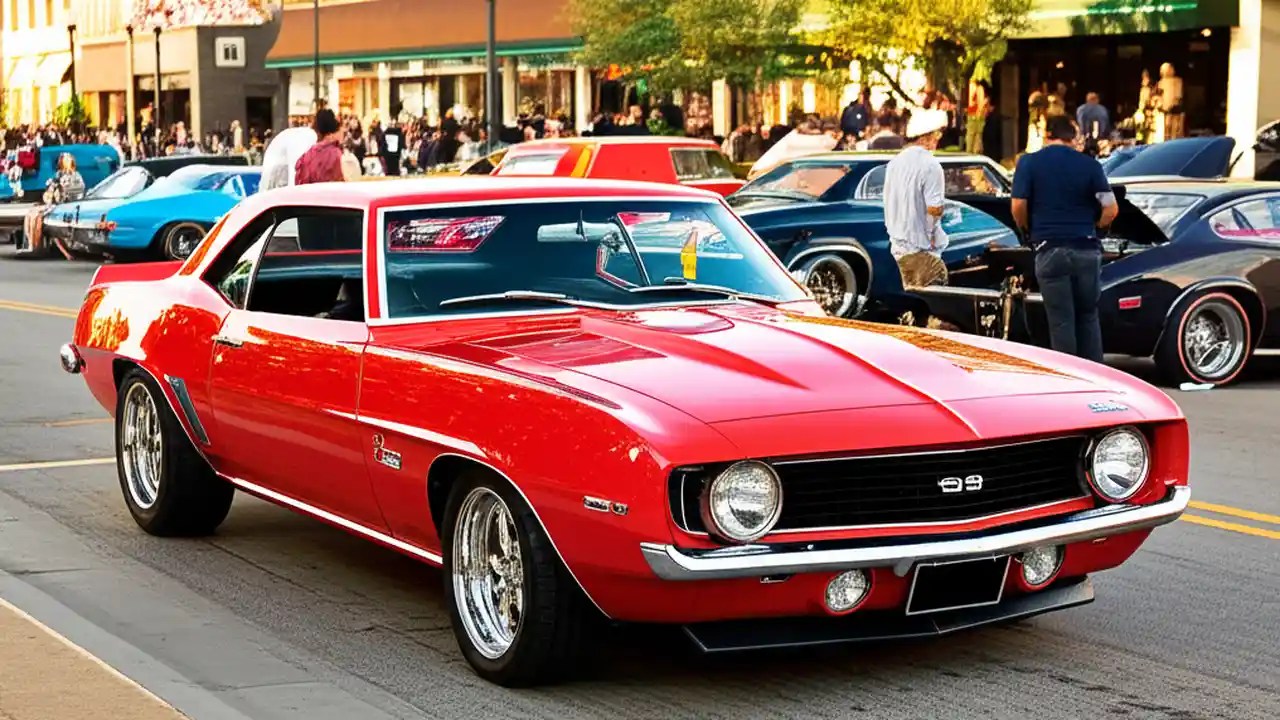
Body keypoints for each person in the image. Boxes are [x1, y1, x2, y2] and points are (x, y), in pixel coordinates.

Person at [1011, 114, 1119, 363]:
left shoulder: (1029, 163)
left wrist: (1027, 228)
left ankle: (1069, 380)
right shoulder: (1090, 165)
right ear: (1073, 137)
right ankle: (1096, 379)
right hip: (1086, 249)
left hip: (1050, 249)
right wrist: (1094, 226)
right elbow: (1111, 208)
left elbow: (1018, 206)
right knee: (1088, 317)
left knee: (1061, 321)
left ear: (1047, 134)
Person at [883, 109, 951, 288]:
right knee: (934, 306)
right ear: (925, 138)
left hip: (898, 253)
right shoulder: (930, 165)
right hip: (923, 254)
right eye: (935, 135)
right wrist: (930, 235)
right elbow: (935, 208)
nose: (937, 140)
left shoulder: (894, 164)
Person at [294, 109, 346, 185]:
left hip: (311, 196)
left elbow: (300, 183)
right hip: (332, 195)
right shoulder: (337, 154)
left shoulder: (307, 155)